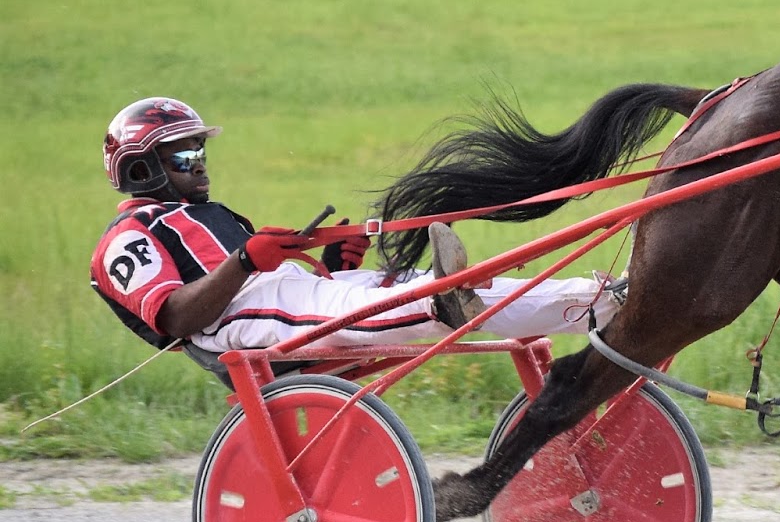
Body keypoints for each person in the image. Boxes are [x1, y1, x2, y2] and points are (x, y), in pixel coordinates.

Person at [91, 97, 622, 357]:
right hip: (229, 326)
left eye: (200, 148)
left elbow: (289, 295)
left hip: (282, 300)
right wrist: (247, 260)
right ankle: (440, 305)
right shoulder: (126, 241)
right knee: (391, 300)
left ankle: (603, 301)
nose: (200, 161)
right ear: (142, 168)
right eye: (183, 153)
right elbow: (179, 317)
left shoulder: (208, 213)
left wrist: (330, 266)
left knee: (405, 284)